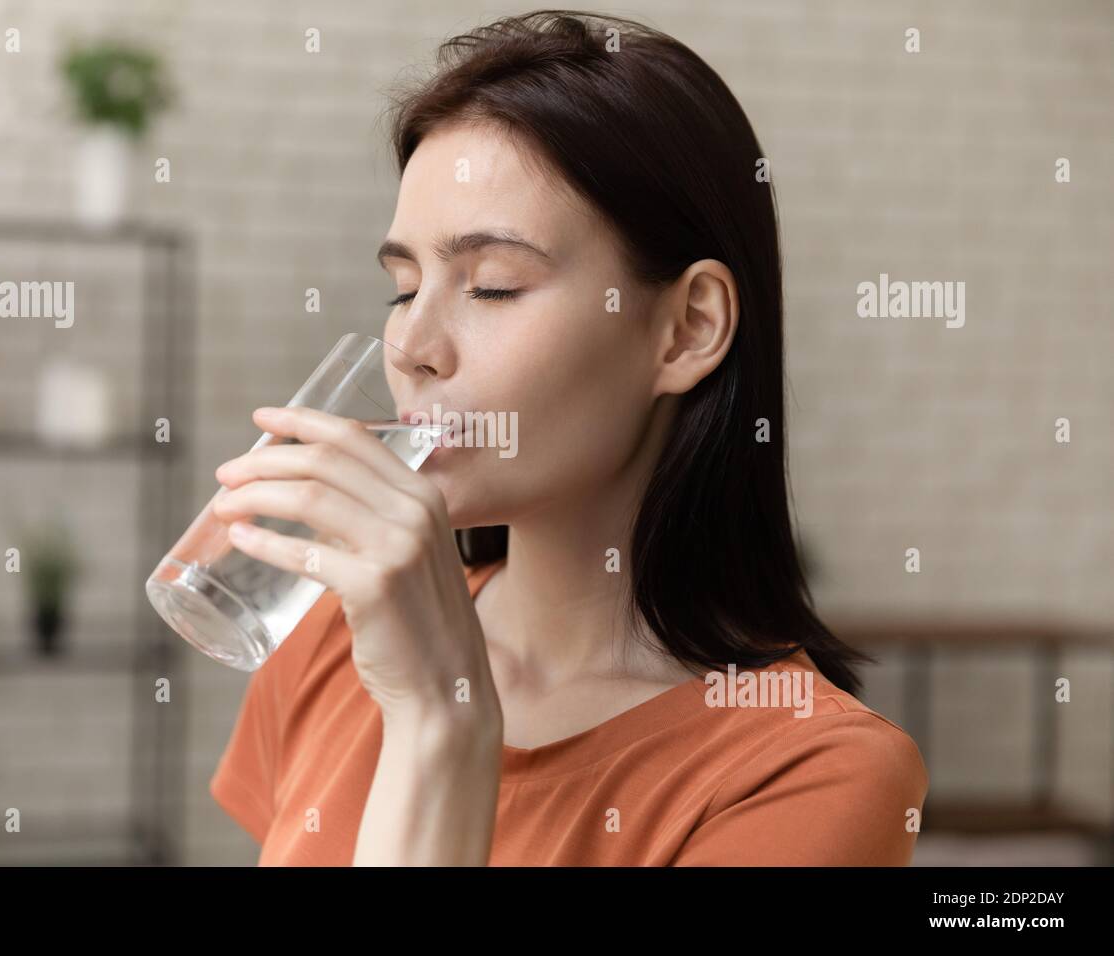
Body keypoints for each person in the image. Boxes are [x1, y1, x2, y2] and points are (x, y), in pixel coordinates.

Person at [208, 9, 927, 866]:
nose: (412, 348)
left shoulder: (808, 774)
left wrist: (442, 717)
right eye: (405, 288)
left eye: (495, 286)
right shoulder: (333, 635)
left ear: (687, 329)